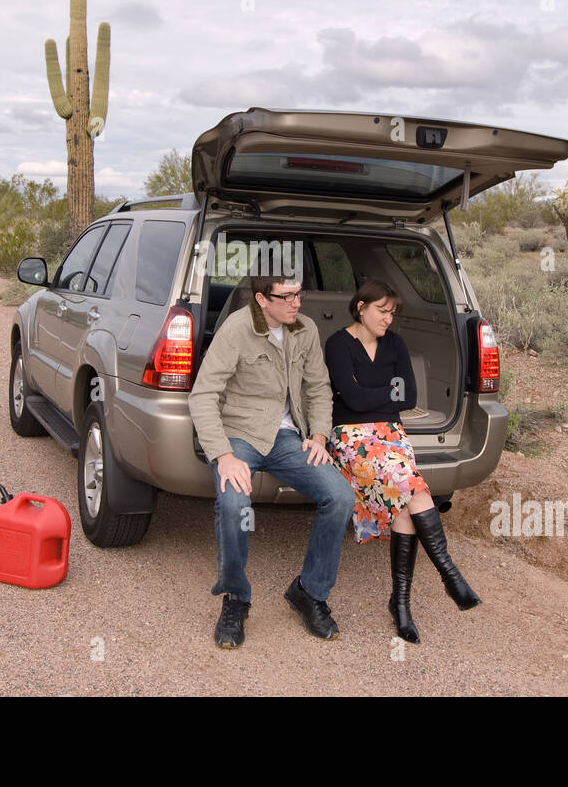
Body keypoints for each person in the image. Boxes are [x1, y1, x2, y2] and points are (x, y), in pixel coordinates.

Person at [189, 273, 354, 649]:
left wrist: (317, 435)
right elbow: (203, 395)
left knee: (340, 496)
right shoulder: (237, 328)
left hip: (286, 437)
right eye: (287, 296)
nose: (297, 303)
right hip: (239, 436)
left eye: (299, 293)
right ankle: (236, 598)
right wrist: (224, 455)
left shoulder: (306, 329)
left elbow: (318, 387)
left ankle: (309, 592)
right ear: (262, 300)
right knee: (234, 505)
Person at [324, 279, 481, 644]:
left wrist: (371, 396)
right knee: (413, 489)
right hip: (352, 438)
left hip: (392, 436)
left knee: (409, 503)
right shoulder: (337, 344)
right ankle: (448, 574)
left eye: (393, 313)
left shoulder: (394, 343)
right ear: (360, 307)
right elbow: (353, 399)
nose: (388, 320)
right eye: (382, 311)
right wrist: (381, 396)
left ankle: (402, 602)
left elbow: (408, 393)